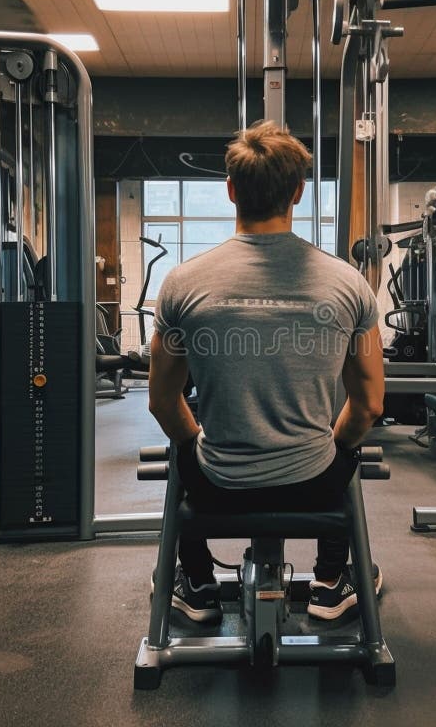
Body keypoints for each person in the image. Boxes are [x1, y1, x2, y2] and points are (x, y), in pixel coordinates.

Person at [149, 120, 384, 623]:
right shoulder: (350, 284)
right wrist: (329, 444)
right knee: (348, 448)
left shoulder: (181, 284)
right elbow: (369, 405)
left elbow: (162, 402)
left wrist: (198, 443)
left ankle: (198, 585)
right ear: (298, 192)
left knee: (181, 450)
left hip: (217, 482)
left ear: (231, 190)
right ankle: (328, 581)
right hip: (315, 481)